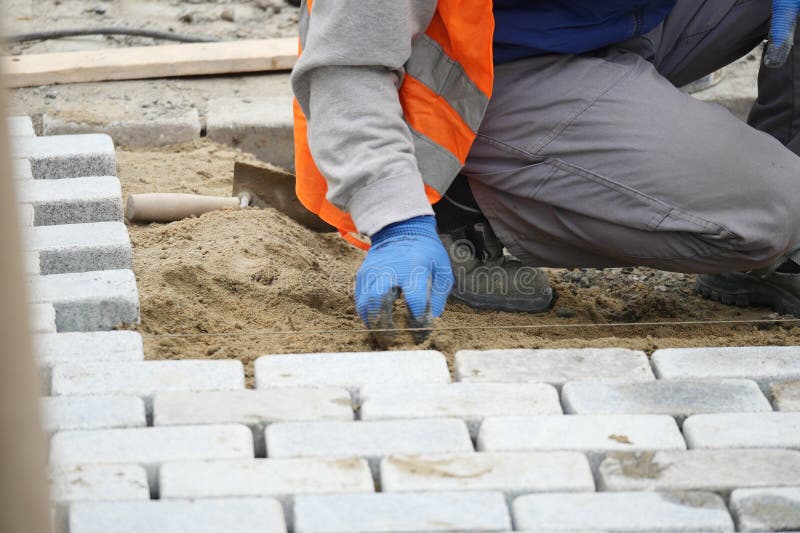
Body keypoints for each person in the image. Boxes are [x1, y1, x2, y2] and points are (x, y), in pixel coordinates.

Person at [292, 0, 800, 341]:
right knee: (774, 211)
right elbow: (346, 63)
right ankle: (459, 205)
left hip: (621, 23)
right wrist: (397, 218)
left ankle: (782, 241)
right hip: (489, 76)